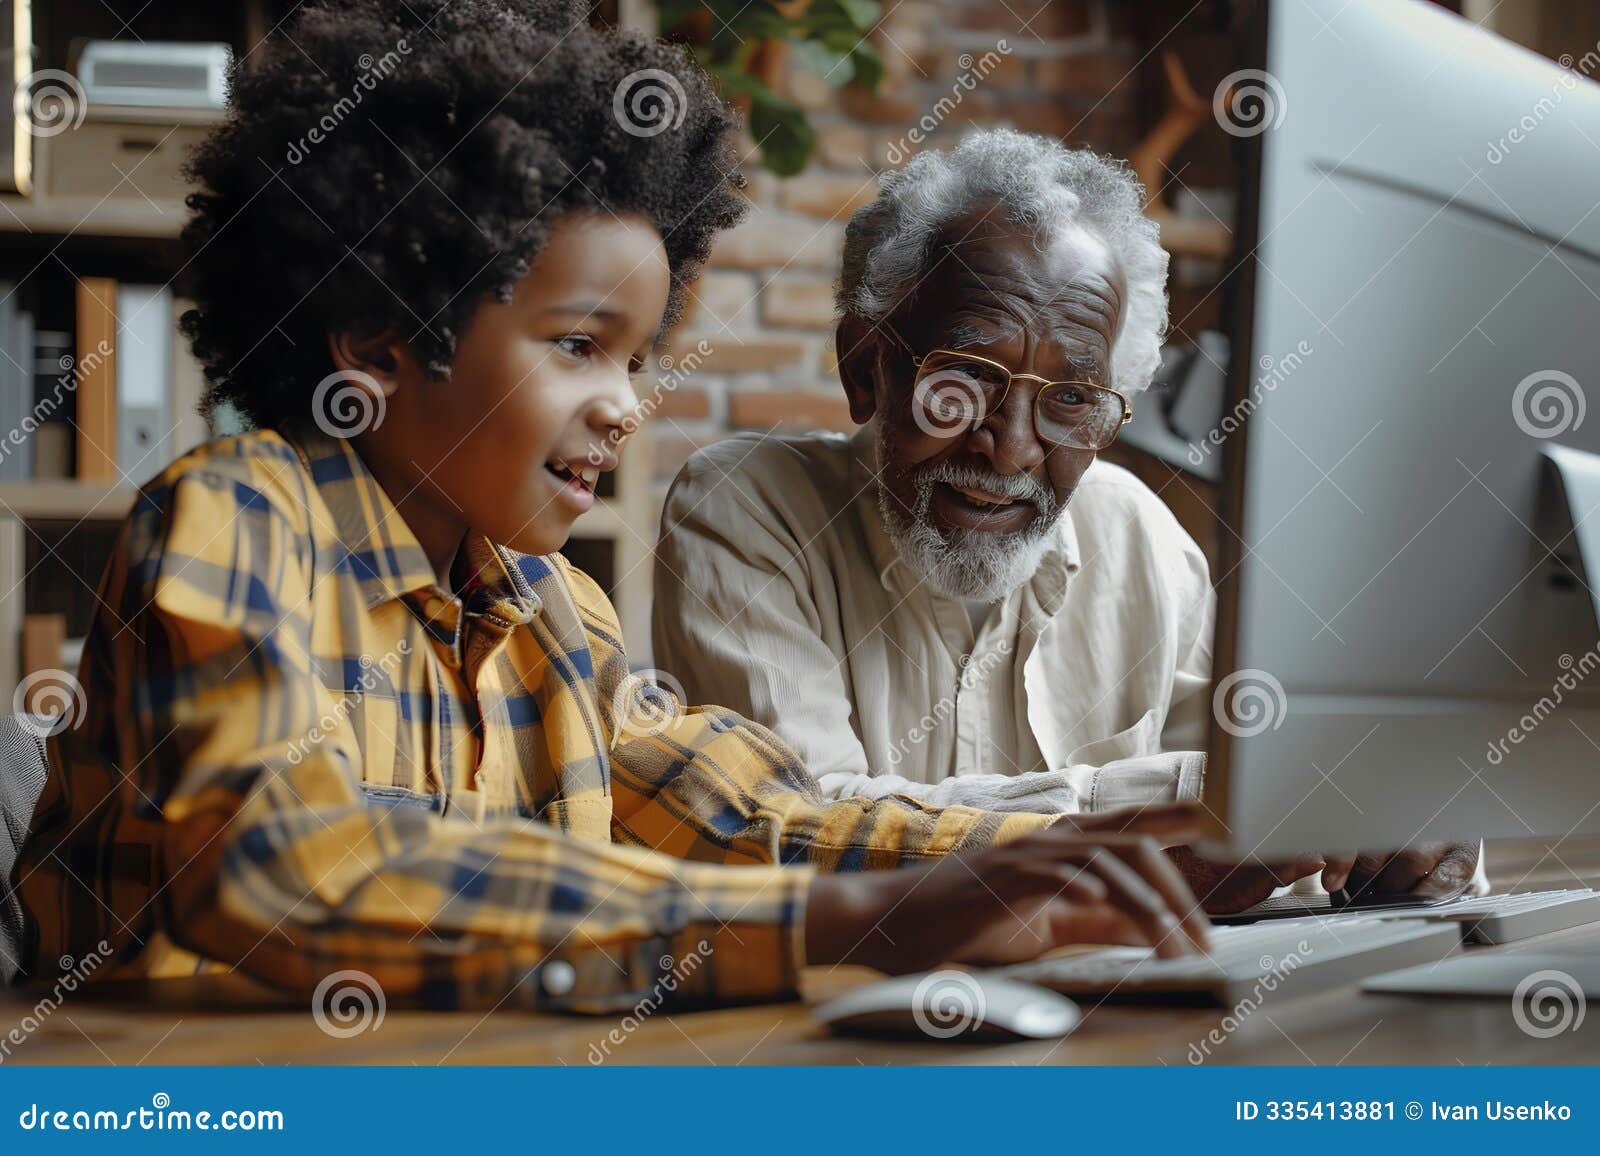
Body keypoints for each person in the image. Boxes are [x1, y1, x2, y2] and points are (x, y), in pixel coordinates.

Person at [9, 0, 1212, 1014]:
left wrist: (1111, 854)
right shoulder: (240, 517)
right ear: (378, 342)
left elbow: (758, 820)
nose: (627, 406)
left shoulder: (551, 611)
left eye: (636, 360)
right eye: (581, 347)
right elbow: (287, 865)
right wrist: (856, 920)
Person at [653, 129, 1481, 911]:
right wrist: (1166, 811)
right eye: (966, 378)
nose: (1010, 450)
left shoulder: (1141, 537)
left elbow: (1265, 829)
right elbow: (795, 834)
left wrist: (1383, 833)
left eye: (1072, 399)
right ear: (866, 365)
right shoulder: (742, 508)